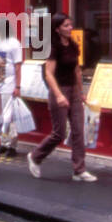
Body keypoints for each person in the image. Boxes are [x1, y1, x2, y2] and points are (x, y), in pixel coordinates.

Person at [28, 12, 96, 182]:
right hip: (59, 90)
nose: (70, 28)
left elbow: (77, 70)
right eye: (66, 25)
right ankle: (35, 156)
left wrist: (81, 93)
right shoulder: (54, 47)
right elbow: (48, 74)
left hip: (73, 91)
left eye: (70, 25)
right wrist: (58, 95)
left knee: (79, 131)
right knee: (59, 133)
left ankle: (79, 170)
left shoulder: (73, 45)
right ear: (57, 29)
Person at [0, 13, 24, 154]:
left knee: (10, 115)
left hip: (9, 81)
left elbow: (18, 65)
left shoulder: (14, 43)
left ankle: (12, 145)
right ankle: (3, 142)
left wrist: (18, 86)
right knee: (0, 113)